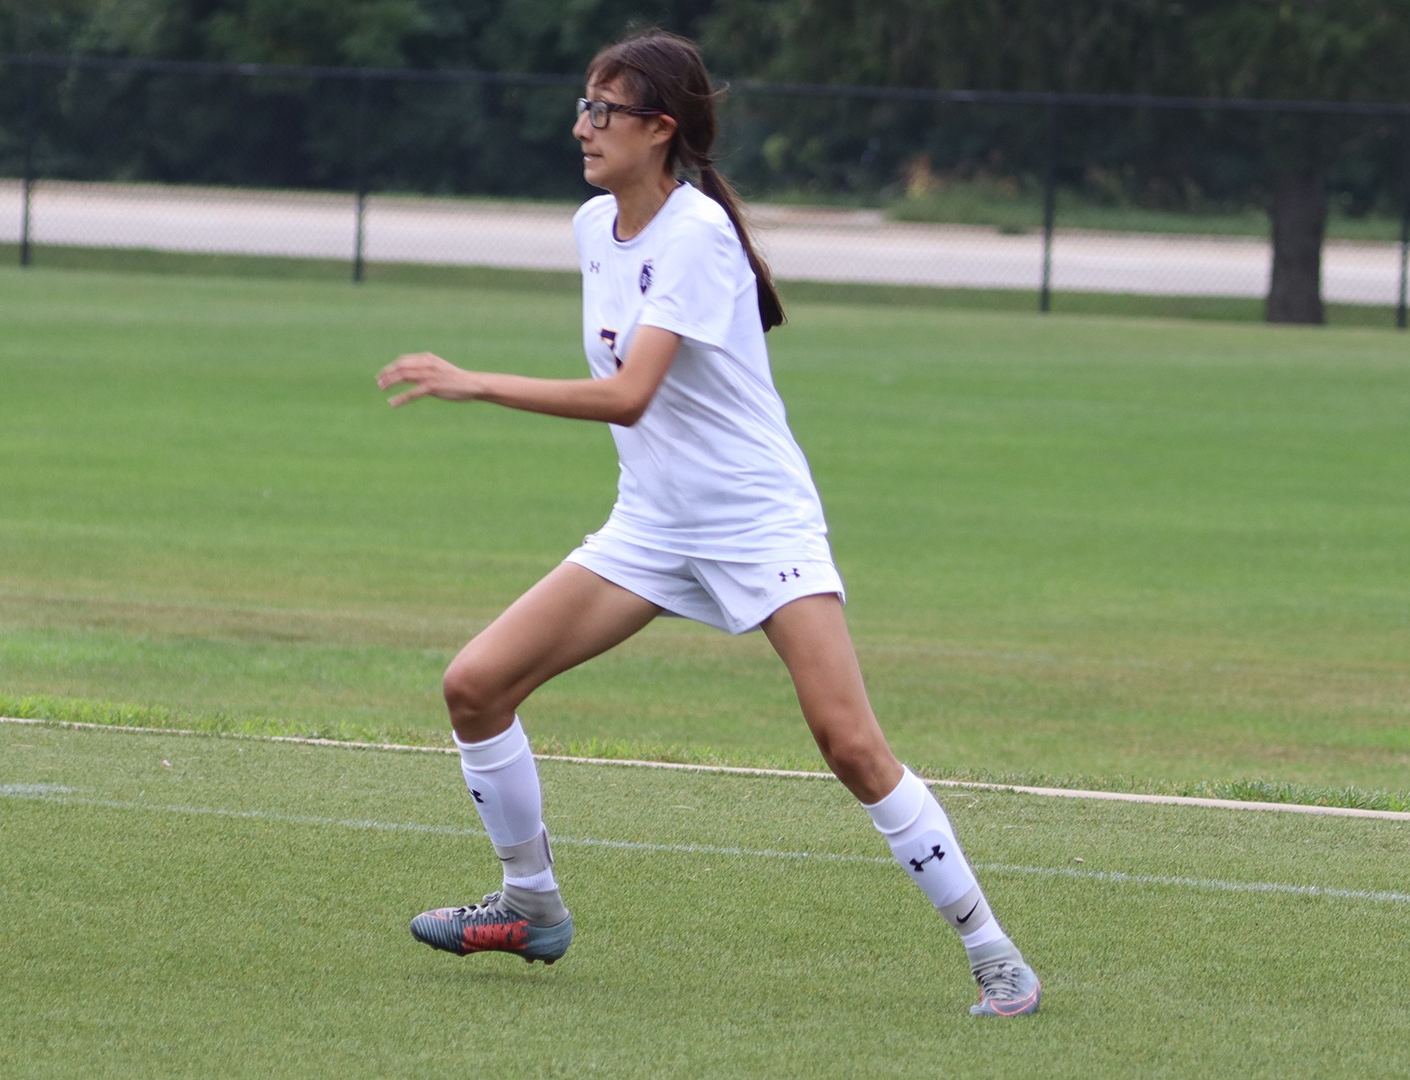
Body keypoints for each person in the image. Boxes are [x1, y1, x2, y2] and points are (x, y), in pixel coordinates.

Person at [375, 29, 1040, 1018]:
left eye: (603, 110)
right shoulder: (592, 227)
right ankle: (531, 905)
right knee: (474, 686)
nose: (581, 126)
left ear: (661, 128)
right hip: (652, 527)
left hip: (754, 522)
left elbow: (631, 395)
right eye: (583, 104)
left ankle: (997, 958)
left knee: (850, 743)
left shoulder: (695, 232)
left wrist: (477, 383)